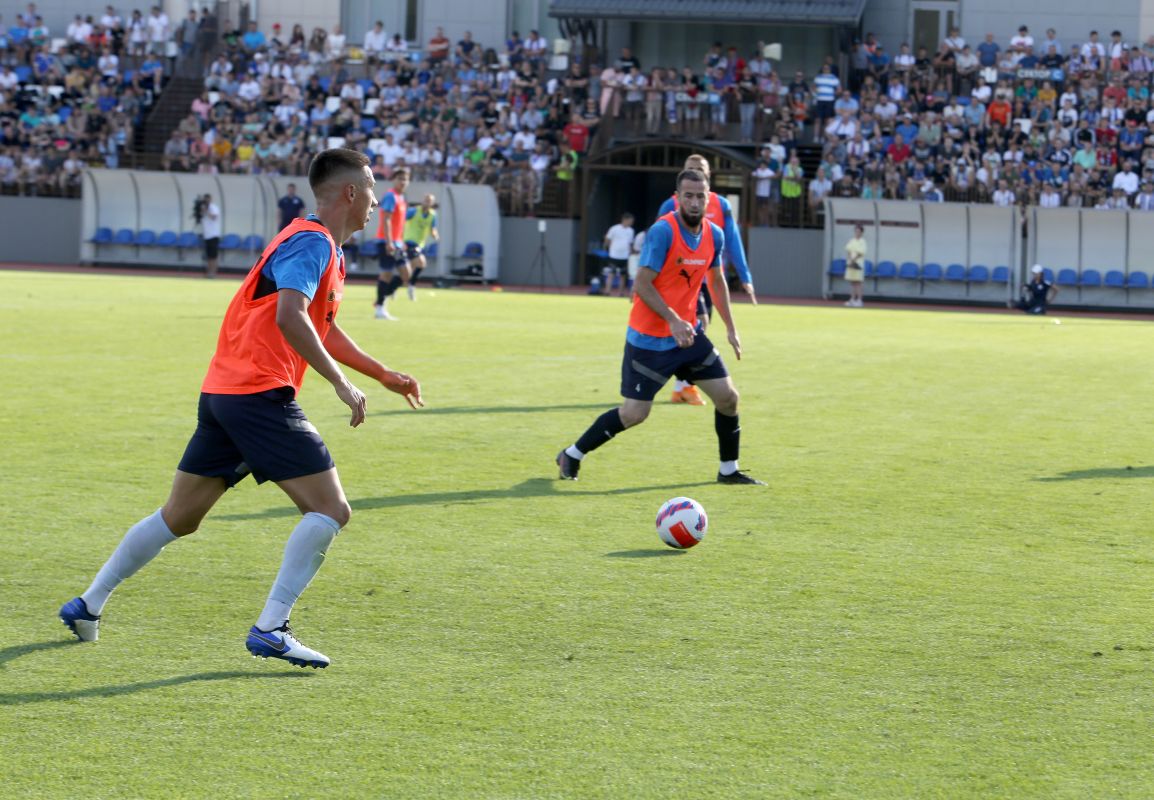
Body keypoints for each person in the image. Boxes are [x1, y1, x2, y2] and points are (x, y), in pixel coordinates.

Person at [58, 148, 425, 668]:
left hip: (225, 394)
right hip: (259, 394)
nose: (377, 199)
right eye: (371, 187)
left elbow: (321, 325)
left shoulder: (322, 247)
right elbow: (290, 317)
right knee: (330, 510)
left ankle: (86, 604)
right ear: (350, 192)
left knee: (179, 517)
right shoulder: (312, 242)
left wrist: (381, 374)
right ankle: (271, 627)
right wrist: (341, 384)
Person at [555, 168, 765, 486]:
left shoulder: (714, 235)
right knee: (634, 414)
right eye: (689, 196)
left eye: (701, 196)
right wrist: (673, 320)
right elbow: (642, 283)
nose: (695, 202)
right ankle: (572, 454)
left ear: (710, 199)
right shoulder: (662, 232)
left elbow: (716, 280)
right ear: (677, 198)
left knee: (728, 398)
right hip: (649, 340)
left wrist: (730, 327)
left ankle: (728, 471)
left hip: (689, 336)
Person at [657, 154, 757, 406]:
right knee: (697, 323)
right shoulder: (670, 206)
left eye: (699, 169)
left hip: (708, 278)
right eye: (689, 169)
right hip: (682, 281)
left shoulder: (721, 205)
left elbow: (733, 240)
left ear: (708, 176)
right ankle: (683, 384)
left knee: (700, 327)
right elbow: (654, 245)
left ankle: (682, 385)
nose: (693, 173)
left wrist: (745, 276)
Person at [373, 167, 410, 320]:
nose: (402, 181)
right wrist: (389, 242)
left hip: (398, 243)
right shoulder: (390, 196)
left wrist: (401, 240)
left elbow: (399, 223)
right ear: (393, 179)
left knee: (406, 273)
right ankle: (380, 309)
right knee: (386, 274)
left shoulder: (401, 198)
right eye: (399, 178)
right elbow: (386, 220)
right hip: (386, 241)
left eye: (405, 179)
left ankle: (380, 300)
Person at [402, 192, 439, 301]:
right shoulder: (414, 211)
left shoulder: (432, 215)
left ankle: (394, 287)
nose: (427, 202)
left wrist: (435, 235)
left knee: (409, 270)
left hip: (420, 244)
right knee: (422, 263)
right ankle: (411, 287)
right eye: (426, 200)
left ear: (432, 203)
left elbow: (433, 229)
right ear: (423, 201)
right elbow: (401, 220)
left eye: (429, 201)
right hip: (409, 242)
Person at [602, 212, 636, 297]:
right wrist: (607, 247)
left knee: (623, 275)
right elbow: (607, 238)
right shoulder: (614, 228)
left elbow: (630, 243)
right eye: (630, 221)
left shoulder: (631, 231)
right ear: (625, 220)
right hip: (614, 255)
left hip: (624, 256)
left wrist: (631, 252)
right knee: (611, 273)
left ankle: (621, 293)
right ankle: (607, 291)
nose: (631, 223)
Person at [195, 192, 221, 278]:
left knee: (214, 255)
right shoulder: (202, 208)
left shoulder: (213, 207)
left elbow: (214, 217)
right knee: (208, 256)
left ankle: (214, 272)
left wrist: (206, 211)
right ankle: (209, 272)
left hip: (213, 235)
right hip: (207, 235)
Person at [844, 224, 867, 307]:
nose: (857, 232)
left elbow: (862, 253)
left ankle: (860, 300)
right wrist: (850, 259)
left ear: (862, 232)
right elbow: (848, 250)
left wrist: (854, 259)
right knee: (852, 282)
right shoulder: (851, 240)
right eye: (856, 231)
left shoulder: (863, 241)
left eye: (859, 231)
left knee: (858, 283)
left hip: (858, 264)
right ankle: (852, 300)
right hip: (850, 263)